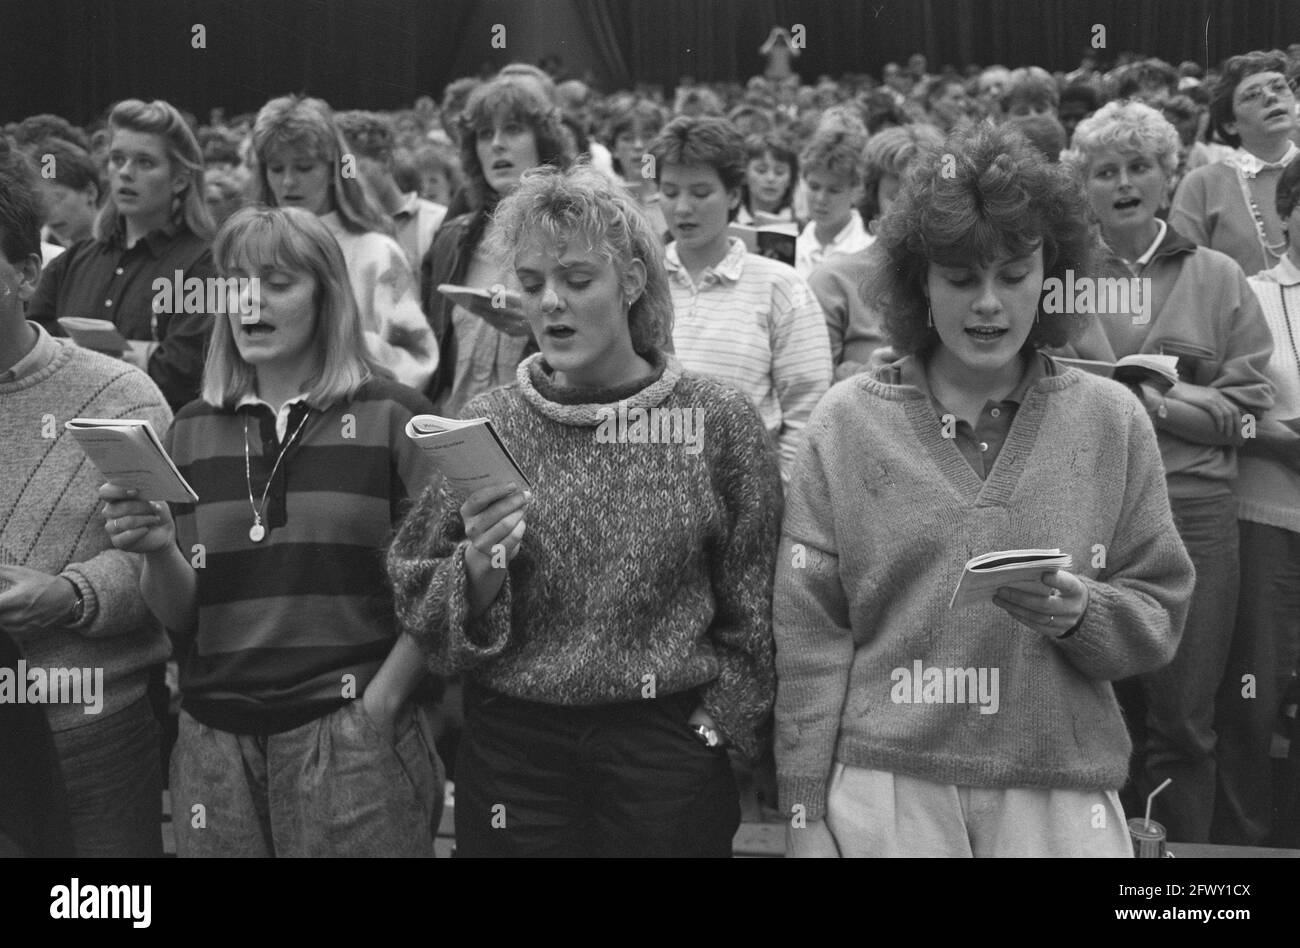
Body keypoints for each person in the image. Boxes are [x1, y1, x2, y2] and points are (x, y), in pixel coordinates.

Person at [776, 124, 1195, 858]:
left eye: (1014, 274)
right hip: (887, 790)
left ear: (1052, 274)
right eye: (962, 279)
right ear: (921, 284)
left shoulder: (1110, 420)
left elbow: (1159, 609)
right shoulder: (845, 424)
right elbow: (811, 633)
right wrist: (805, 815)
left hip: (1059, 790)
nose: (990, 304)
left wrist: (1083, 613)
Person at [388, 164, 783, 857]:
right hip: (516, 754)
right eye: (534, 283)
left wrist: (716, 728)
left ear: (631, 280)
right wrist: (478, 568)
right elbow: (419, 601)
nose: (551, 304)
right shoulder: (488, 423)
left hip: (664, 754)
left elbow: (756, 609)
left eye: (577, 280)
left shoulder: (715, 421)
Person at [100, 206, 444, 857]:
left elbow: (444, 586)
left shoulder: (394, 417)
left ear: (328, 298)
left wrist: (380, 706)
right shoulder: (193, 426)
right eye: (235, 284)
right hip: (212, 744)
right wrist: (154, 551)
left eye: (277, 283)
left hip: (348, 738)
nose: (249, 302)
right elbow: (182, 613)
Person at [1061, 100, 1275, 843]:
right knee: (1097, 709)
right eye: (1104, 170)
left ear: (1166, 174)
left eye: (1139, 166)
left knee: (1186, 718)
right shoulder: (1056, 278)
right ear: (1082, 184)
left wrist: (1148, 400)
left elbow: (1248, 409)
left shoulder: (1219, 275)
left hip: (1194, 511)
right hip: (1087, 505)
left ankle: (1182, 880)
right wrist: (1179, 398)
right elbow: (1038, 386)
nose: (1123, 182)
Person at [0, 136, 172, 857]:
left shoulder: (116, 394)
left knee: (100, 910)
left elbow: (178, 570)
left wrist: (70, 595)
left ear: (25, 271)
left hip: (92, 730)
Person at [648, 115, 832, 479]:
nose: (683, 208)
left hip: (745, 491)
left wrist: (776, 497)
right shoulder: (640, 283)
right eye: (670, 192)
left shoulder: (780, 285)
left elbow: (807, 411)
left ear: (733, 194)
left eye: (700, 193)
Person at [27, 98, 216, 411]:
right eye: (117, 159)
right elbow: (33, 354)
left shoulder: (205, 263)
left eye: (145, 162)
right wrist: (142, 354)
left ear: (180, 179)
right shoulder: (71, 262)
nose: (126, 173)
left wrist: (72, 353)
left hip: (161, 444)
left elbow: (185, 370)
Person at [249, 95, 437, 392]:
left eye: (304, 167)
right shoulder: (248, 255)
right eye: (276, 168)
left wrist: (338, 348)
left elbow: (418, 359)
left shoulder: (377, 252)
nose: (287, 183)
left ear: (335, 170)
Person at [1219, 156, 1300, 845]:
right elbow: (1220, 409)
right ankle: (1243, 849)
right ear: (1285, 213)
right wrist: (1276, 439)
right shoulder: (1245, 293)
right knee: (1253, 696)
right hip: (1267, 519)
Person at [421, 75, 574, 418]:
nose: (497, 145)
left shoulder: (579, 233)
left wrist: (540, 328)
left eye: (514, 129)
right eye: (485, 134)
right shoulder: (452, 239)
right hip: (456, 435)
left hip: (543, 436)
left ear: (543, 141)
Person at [811, 124, 942, 381]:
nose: (910, 211)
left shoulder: (963, 278)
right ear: (873, 198)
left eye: (923, 198)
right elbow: (810, 386)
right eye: (896, 198)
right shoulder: (833, 280)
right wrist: (865, 374)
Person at [1170, 50, 1299, 276]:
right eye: (1251, 95)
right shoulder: (1202, 185)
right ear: (1230, 124)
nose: (1270, 97)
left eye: (1279, 87)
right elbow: (1181, 279)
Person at [335, 110, 448, 272]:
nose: (347, 181)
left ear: (385, 161)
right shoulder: (338, 229)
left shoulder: (438, 222)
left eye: (353, 169)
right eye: (340, 172)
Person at [794, 124, 871, 278]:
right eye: (814, 187)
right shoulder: (794, 246)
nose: (821, 199)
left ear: (856, 189)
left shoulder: (869, 248)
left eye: (834, 190)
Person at [738, 132, 799, 226]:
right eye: (761, 170)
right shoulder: (726, 223)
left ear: (790, 180)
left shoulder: (803, 229)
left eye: (779, 172)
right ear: (744, 175)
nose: (771, 178)